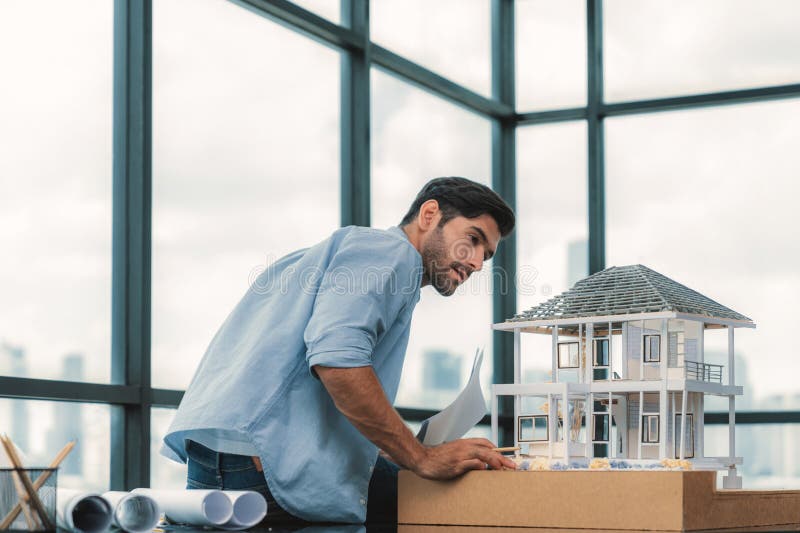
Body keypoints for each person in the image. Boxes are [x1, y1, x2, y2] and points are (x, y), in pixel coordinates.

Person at [161, 176, 517, 524]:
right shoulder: (390, 254)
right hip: (262, 465)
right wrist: (421, 456)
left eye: (485, 256)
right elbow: (337, 360)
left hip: (217, 457)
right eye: (472, 239)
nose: (475, 263)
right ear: (429, 215)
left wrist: (385, 446)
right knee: (432, 502)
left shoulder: (336, 254)